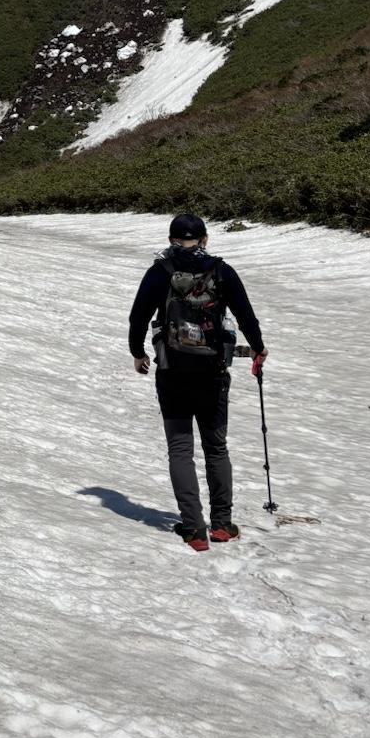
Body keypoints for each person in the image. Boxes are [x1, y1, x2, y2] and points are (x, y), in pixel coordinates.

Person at [128, 213, 267, 552]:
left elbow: (138, 317)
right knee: (216, 448)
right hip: (212, 372)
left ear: (171, 239)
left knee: (180, 449)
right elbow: (246, 315)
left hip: (172, 370)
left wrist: (138, 353)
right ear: (204, 239)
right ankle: (221, 525)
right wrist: (258, 348)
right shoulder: (221, 271)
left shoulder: (159, 272)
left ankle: (194, 529)